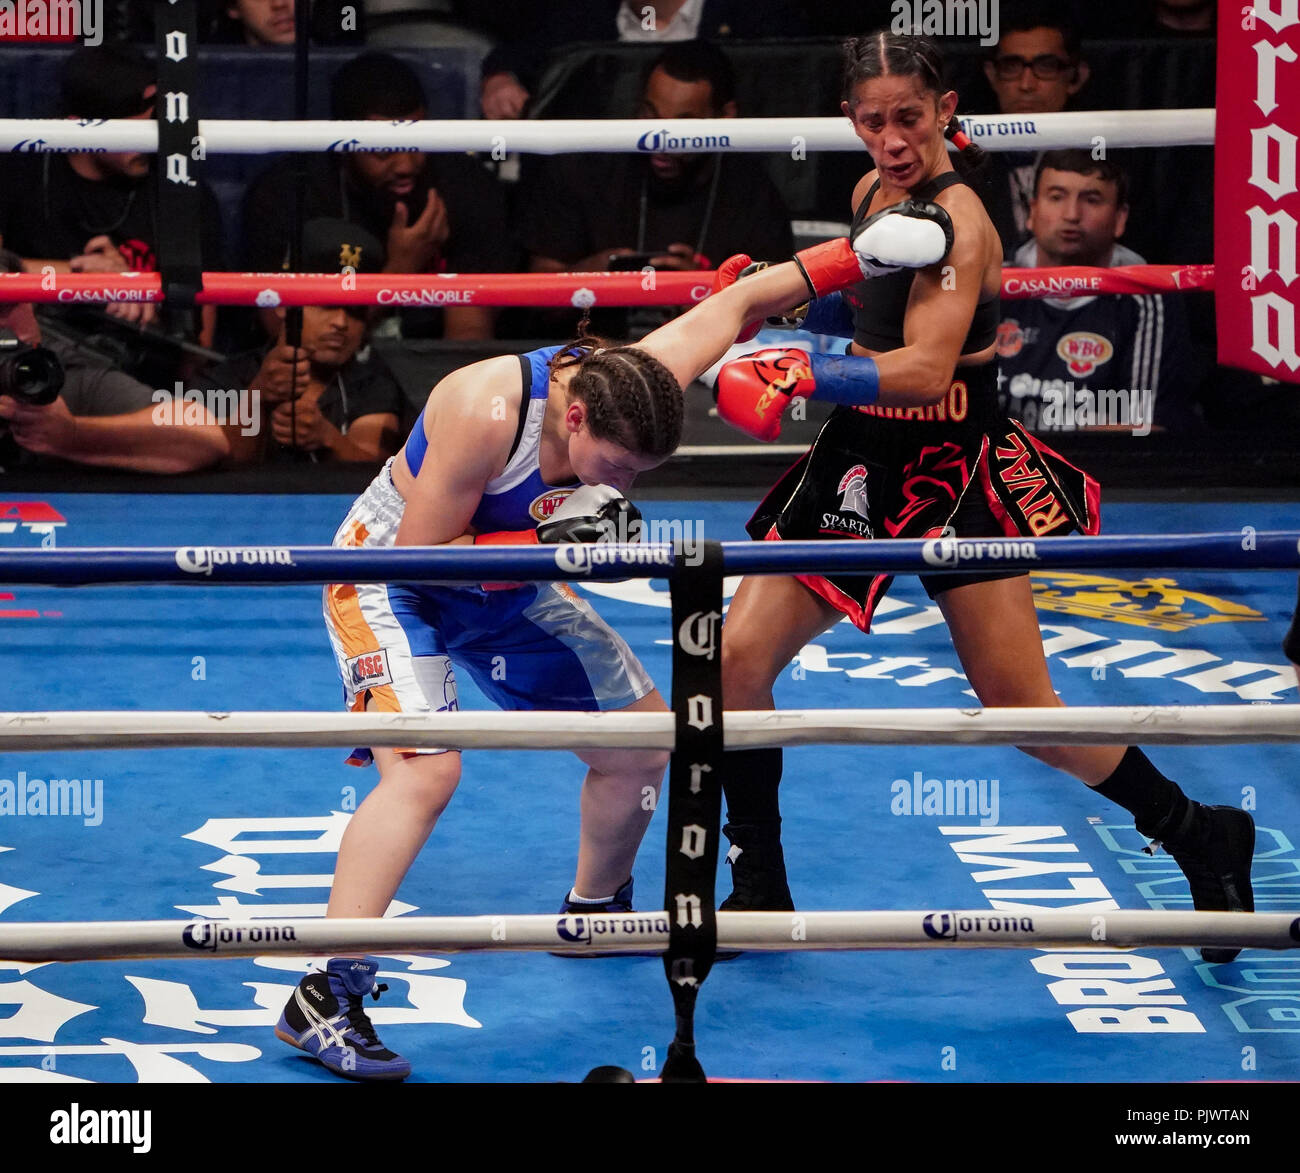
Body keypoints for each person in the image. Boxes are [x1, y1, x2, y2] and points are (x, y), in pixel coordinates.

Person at [272, 195, 955, 1080]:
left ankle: (594, 916)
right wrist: (546, 543)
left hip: (510, 584)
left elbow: (740, 305)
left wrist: (861, 256)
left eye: (643, 474)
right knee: (430, 768)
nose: (628, 485)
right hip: (396, 577)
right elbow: (426, 559)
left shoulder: (641, 377)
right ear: (579, 419)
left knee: (640, 740)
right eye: (620, 468)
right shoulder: (484, 408)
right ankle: (324, 991)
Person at [707, 33, 1256, 971]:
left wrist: (799, 370)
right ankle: (760, 879)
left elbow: (922, 371)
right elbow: (864, 315)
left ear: (945, 110)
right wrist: (790, 317)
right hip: (862, 459)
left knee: (1019, 707)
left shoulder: (963, 217)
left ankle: (1198, 828)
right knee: (734, 668)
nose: (892, 138)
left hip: (956, 463)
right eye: (872, 120)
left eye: (909, 118)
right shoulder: (869, 195)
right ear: (852, 121)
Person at [520, 40, 793, 338]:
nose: (661, 140)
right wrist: (590, 276)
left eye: (683, 127)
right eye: (650, 116)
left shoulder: (753, 195)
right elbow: (535, 301)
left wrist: (708, 297)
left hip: (705, 364)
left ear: (724, 117)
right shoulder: (585, 169)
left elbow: (778, 320)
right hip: (588, 357)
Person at [240, 52, 512, 342]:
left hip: (430, 370)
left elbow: (469, 336)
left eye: (417, 143)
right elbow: (290, 340)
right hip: (326, 373)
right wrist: (398, 272)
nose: (406, 165)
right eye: (383, 150)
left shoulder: (465, 185)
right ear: (344, 144)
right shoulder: (289, 193)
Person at [0, 43, 225, 365]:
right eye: (137, 129)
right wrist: (85, 278)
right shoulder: (17, 174)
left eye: (157, 125)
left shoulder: (184, 190)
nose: (153, 141)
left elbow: (197, 350)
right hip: (31, 362)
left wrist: (139, 287)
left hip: (141, 373)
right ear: (81, 126)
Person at [996, 151, 1199, 435]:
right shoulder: (992, 284)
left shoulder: (1149, 297)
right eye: (1056, 197)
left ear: (1120, 218)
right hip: (996, 464)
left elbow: (1146, 428)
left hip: (1099, 472)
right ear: (1032, 212)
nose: (1071, 215)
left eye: (1091, 200)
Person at [0, 250, 229, 474]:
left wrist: (73, 435)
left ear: (32, 306)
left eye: (5, 306)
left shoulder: (55, 373)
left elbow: (204, 435)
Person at [205, 220, 406, 464]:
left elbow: (377, 476)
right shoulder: (227, 377)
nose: (341, 322)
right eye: (326, 304)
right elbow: (217, 468)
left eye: (355, 310)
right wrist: (257, 398)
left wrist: (327, 438)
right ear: (283, 304)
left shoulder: (373, 385)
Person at [474, 1, 809, 119]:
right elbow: (520, 55)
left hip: (722, 184)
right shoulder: (584, 15)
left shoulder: (754, 13)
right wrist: (500, 79)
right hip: (613, 189)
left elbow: (799, 75)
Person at [977, 3, 1091, 261]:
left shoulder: (1105, 157)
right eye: (1011, 67)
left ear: (1076, 76)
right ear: (992, 75)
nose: (1027, 84)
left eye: (1046, 66)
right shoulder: (957, 163)